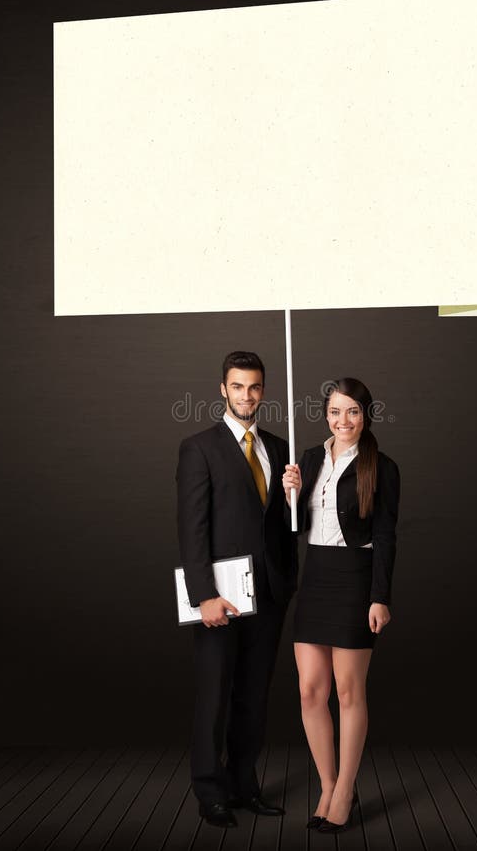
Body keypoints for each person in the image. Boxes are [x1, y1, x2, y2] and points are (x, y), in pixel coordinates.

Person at [177, 351, 298, 828]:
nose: (247, 395)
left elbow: (289, 526)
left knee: (254, 695)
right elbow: (192, 527)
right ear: (222, 389)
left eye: (255, 387)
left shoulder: (280, 448)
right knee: (214, 696)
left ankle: (245, 784)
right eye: (237, 386)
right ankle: (211, 791)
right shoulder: (198, 447)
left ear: (263, 391)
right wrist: (202, 593)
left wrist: (295, 496)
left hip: (267, 593)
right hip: (221, 596)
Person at [282, 377, 400, 834]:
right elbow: (296, 526)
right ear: (325, 414)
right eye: (335, 411)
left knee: (349, 692)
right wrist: (290, 493)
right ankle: (328, 785)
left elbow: (387, 535)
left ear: (366, 414)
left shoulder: (381, 467)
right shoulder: (310, 459)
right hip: (315, 576)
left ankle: (347, 787)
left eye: (352, 411)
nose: (343, 420)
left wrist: (380, 596)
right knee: (311, 690)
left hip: (355, 579)